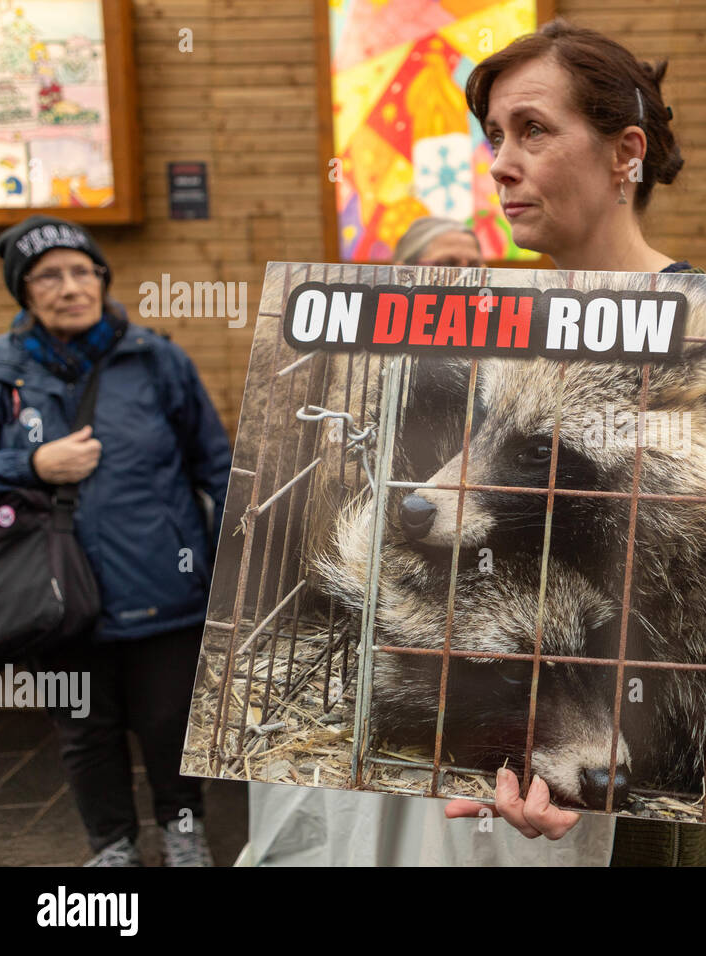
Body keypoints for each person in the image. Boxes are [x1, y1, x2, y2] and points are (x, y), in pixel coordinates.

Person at [442, 18, 706, 866]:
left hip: (676, 797)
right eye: (495, 136)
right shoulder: (514, 340)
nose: (502, 162)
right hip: (562, 774)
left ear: (627, 152)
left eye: (534, 131)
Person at [242, 215, 619, 866]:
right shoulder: (400, 359)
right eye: (447, 263)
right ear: (408, 274)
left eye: (477, 262)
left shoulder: (511, 361)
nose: (467, 278)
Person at [0, 215, 232, 866]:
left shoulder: (157, 360)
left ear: (101, 277)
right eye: (49, 276)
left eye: (82, 271)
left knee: (167, 725)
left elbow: (217, 464)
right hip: (56, 596)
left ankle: (184, 831)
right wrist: (30, 467)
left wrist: (229, 564)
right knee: (86, 732)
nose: (71, 287)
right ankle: (111, 845)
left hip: (165, 587)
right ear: (24, 291)